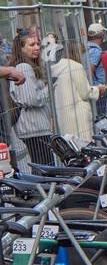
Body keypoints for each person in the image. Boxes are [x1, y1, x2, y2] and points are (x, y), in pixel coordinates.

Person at [6, 29, 56, 166]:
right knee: (44, 167)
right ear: (21, 48)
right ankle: (44, 188)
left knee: (42, 165)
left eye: (38, 44)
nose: (37, 48)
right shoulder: (24, 67)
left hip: (35, 126)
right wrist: (49, 88)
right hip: (33, 128)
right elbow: (31, 99)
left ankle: (44, 188)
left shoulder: (28, 66)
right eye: (31, 45)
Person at [45, 34, 98, 144]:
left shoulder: (57, 68)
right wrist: (98, 89)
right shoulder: (76, 67)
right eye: (83, 53)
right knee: (84, 147)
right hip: (79, 118)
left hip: (64, 117)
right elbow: (85, 93)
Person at [85, 22, 107, 117]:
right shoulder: (95, 51)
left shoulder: (86, 48)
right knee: (100, 117)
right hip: (98, 88)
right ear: (100, 35)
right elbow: (90, 70)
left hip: (91, 88)